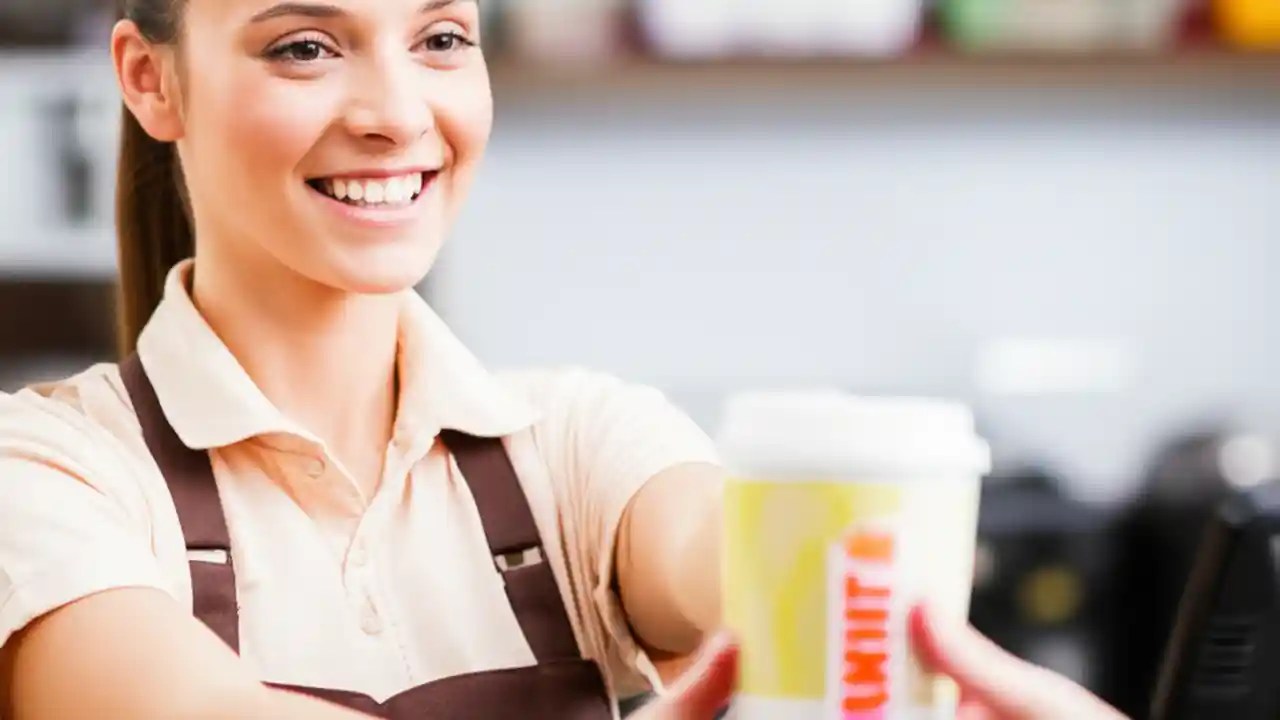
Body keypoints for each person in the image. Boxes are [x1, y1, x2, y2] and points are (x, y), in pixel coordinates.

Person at [0, 1, 1128, 718]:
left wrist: (854, 606)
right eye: (304, 46)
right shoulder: (47, 476)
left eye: (441, 39)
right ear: (150, 80)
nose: (398, 113)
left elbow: (732, 561)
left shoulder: (574, 445)